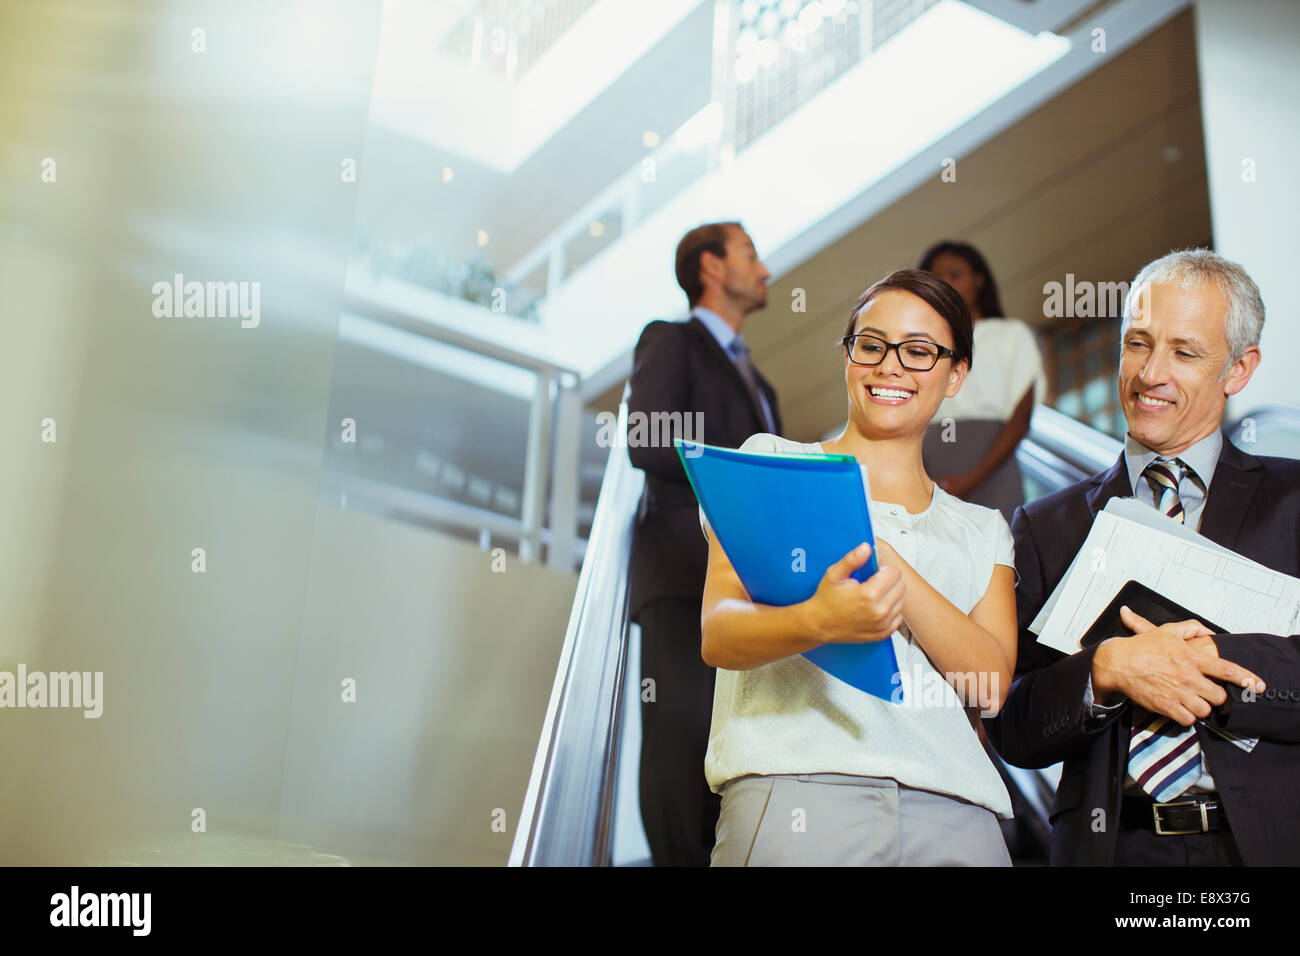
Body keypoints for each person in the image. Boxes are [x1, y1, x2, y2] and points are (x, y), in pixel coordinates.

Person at [985, 248, 1300, 866]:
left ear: (1238, 370)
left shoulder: (1293, 500)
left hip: (1268, 842)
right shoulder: (1045, 525)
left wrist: (1209, 660)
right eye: (1137, 343)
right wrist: (1105, 670)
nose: (1150, 373)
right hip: (1114, 849)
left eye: (1184, 352)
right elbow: (1010, 722)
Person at [701, 269, 1018, 866]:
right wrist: (819, 620)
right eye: (871, 345)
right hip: (797, 795)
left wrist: (881, 553)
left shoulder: (982, 530)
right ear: (849, 357)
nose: (890, 366)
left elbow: (991, 685)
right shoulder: (772, 463)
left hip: (958, 813)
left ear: (956, 376)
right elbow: (720, 632)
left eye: (919, 352)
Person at [626, 221, 782, 867]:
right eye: (751, 253)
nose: (766, 269)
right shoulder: (672, 340)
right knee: (682, 741)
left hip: (749, 587)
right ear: (712, 268)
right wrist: (739, 486)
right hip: (685, 573)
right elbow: (647, 436)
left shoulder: (764, 387)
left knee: (734, 747)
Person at [918, 241, 1046, 524]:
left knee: (1000, 555)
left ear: (979, 280)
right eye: (936, 278)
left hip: (992, 467)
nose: (946, 285)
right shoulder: (921, 342)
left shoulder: (1011, 335)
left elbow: (1021, 418)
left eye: (955, 274)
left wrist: (971, 478)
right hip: (930, 472)